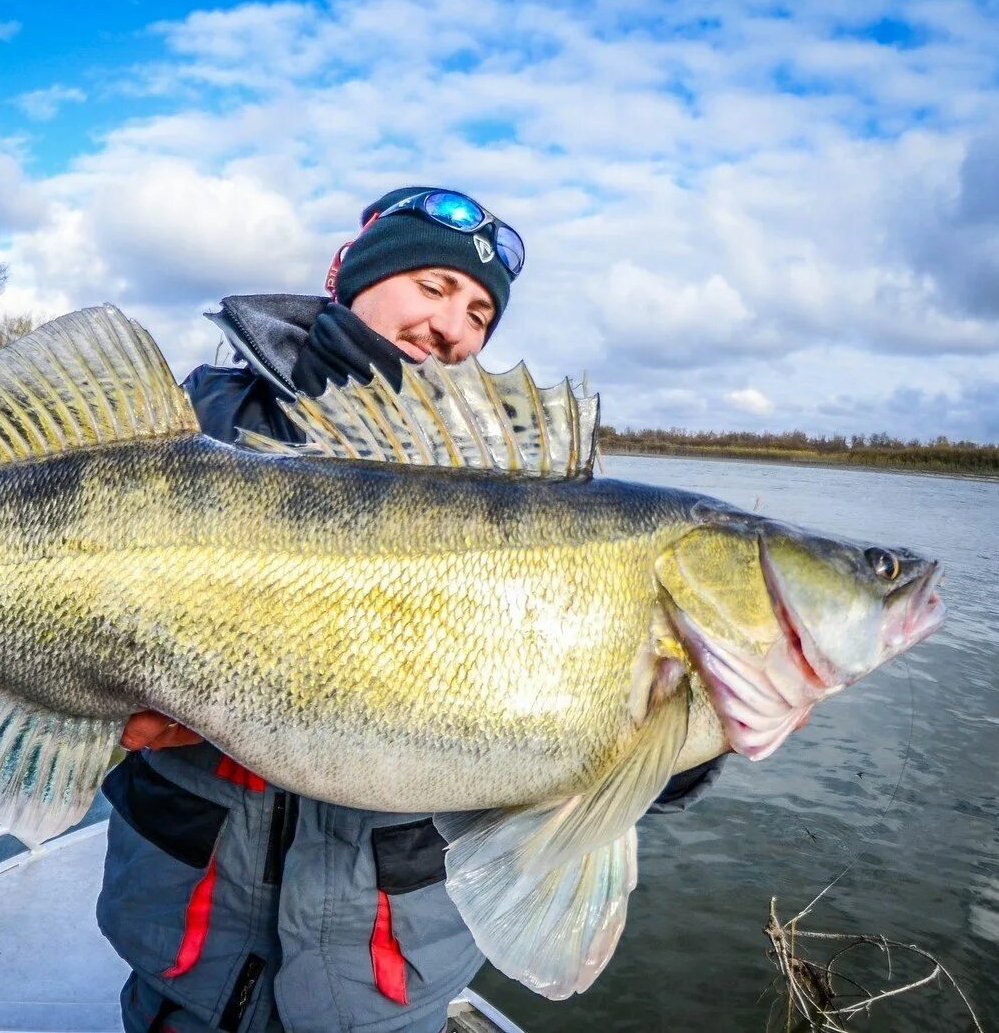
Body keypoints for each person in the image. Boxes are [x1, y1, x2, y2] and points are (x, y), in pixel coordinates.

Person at [96, 186, 725, 1033]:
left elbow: (601, 757)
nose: (454, 327)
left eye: (480, 316)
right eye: (433, 287)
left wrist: (685, 735)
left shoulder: (526, 488)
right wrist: (98, 713)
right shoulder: (195, 425)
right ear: (346, 274)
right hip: (188, 930)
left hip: (387, 963)